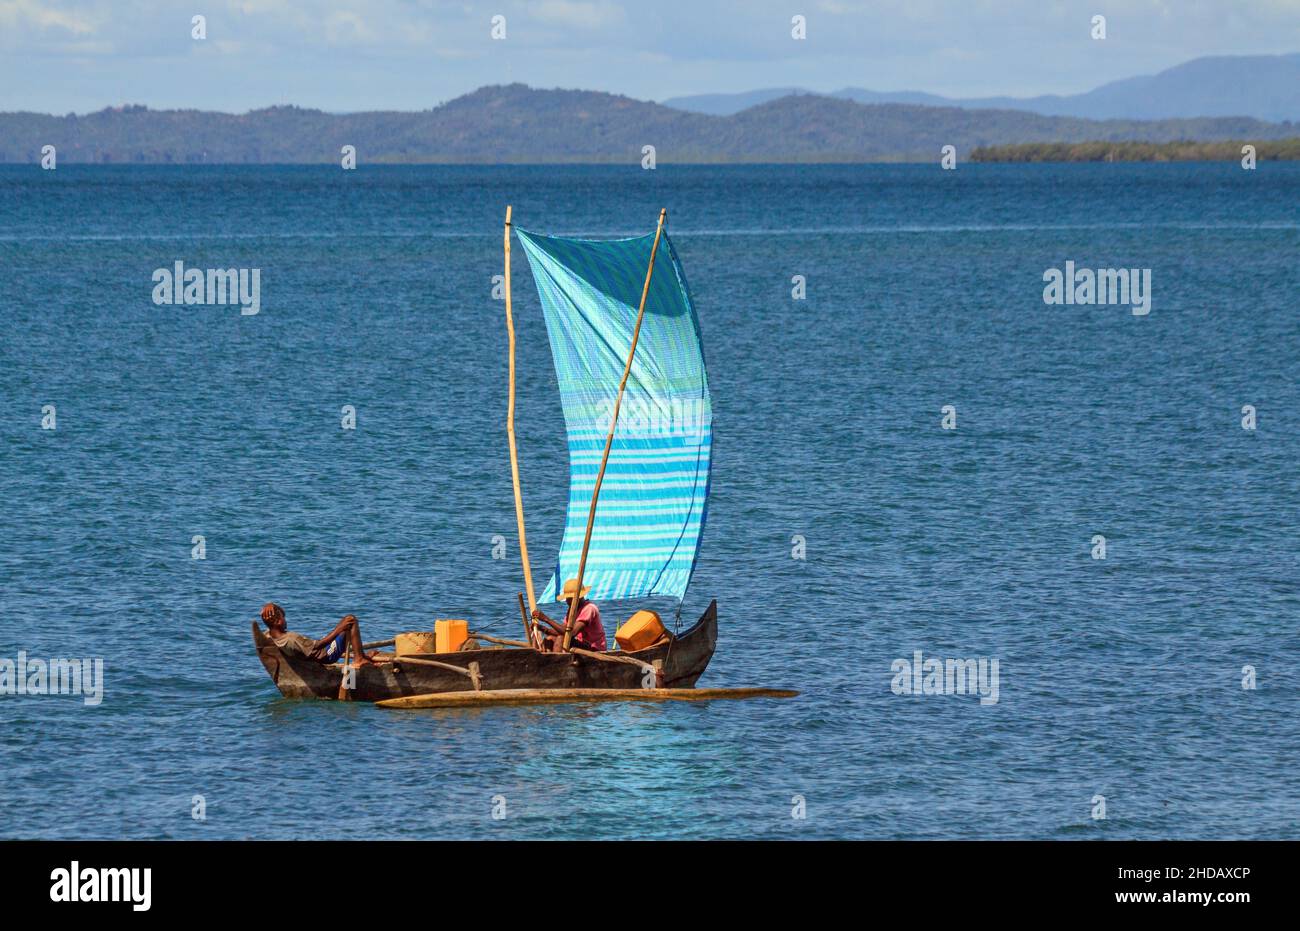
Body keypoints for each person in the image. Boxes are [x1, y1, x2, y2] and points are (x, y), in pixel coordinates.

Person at [260, 603, 382, 667]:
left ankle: (361, 655)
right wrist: (339, 629)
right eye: (283, 617)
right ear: (278, 621)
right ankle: (359, 659)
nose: (285, 619)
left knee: (344, 624)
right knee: (350, 620)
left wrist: (272, 605)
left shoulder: (270, 635)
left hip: (314, 654)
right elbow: (318, 646)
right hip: (326, 655)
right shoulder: (292, 638)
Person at [531, 578, 607, 652]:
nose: (567, 601)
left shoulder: (589, 608)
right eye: (567, 598)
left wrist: (546, 619)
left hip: (593, 648)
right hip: (581, 644)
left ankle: (558, 660)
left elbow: (571, 633)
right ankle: (547, 658)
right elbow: (562, 630)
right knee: (550, 639)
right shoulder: (572, 610)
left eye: (569, 598)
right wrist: (543, 628)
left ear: (578, 597)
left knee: (561, 638)